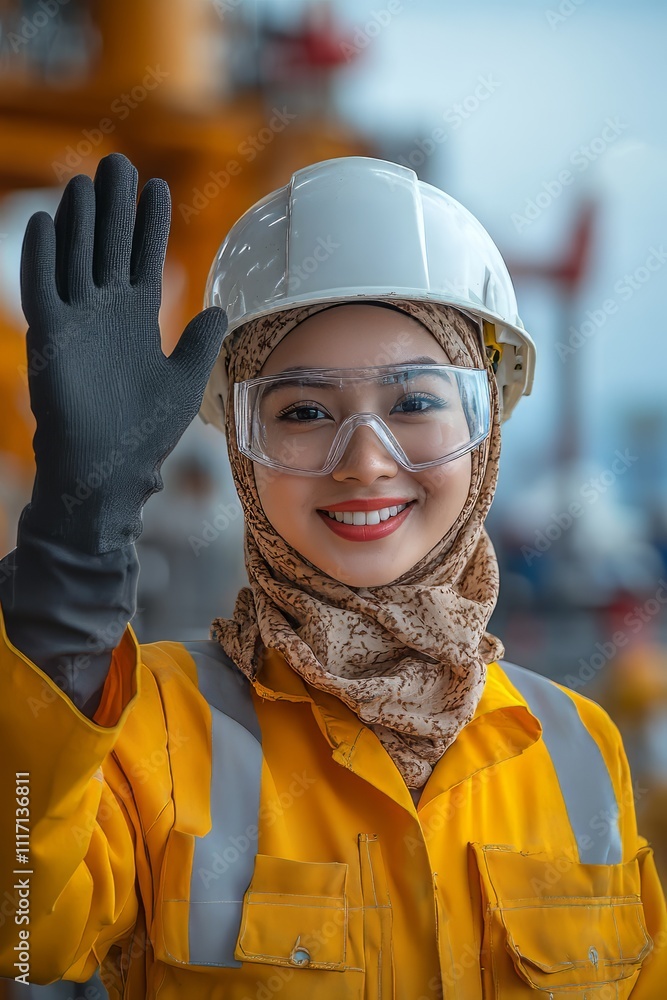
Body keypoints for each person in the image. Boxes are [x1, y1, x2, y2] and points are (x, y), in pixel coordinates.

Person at [0, 152, 664, 999]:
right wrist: (75, 535)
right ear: (242, 449)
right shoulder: (150, 724)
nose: (363, 463)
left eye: (415, 403)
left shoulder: (578, 746)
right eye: (303, 413)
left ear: (487, 425)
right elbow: (22, 937)